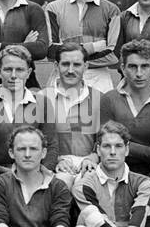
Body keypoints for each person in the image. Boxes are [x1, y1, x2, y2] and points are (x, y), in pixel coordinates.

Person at [0, 44, 58, 187]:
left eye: (20, 70)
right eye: (8, 69)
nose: (13, 75)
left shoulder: (43, 104)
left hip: (33, 172)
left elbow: (51, 147)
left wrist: (41, 173)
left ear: (28, 72)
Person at [99, 39, 150, 196]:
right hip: (115, 169)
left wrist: (123, 144)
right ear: (122, 68)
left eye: (145, 66)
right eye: (133, 66)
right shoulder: (109, 99)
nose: (139, 73)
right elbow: (106, 146)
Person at [44, 0, 122, 92]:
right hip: (62, 81)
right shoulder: (53, 8)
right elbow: (50, 52)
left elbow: (114, 56)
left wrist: (69, 56)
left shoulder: (112, 10)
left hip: (99, 83)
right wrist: (95, 46)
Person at [42, 38, 106, 189]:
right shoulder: (42, 98)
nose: (70, 70)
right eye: (65, 64)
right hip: (55, 167)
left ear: (86, 66)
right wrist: (55, 160)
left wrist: (94, 157)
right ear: (56, 66)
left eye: (76, 65)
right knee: (61, 183)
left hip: (89, 166)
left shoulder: (100, 98)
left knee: (87, 186)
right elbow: (35, 140)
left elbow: (106, 138)